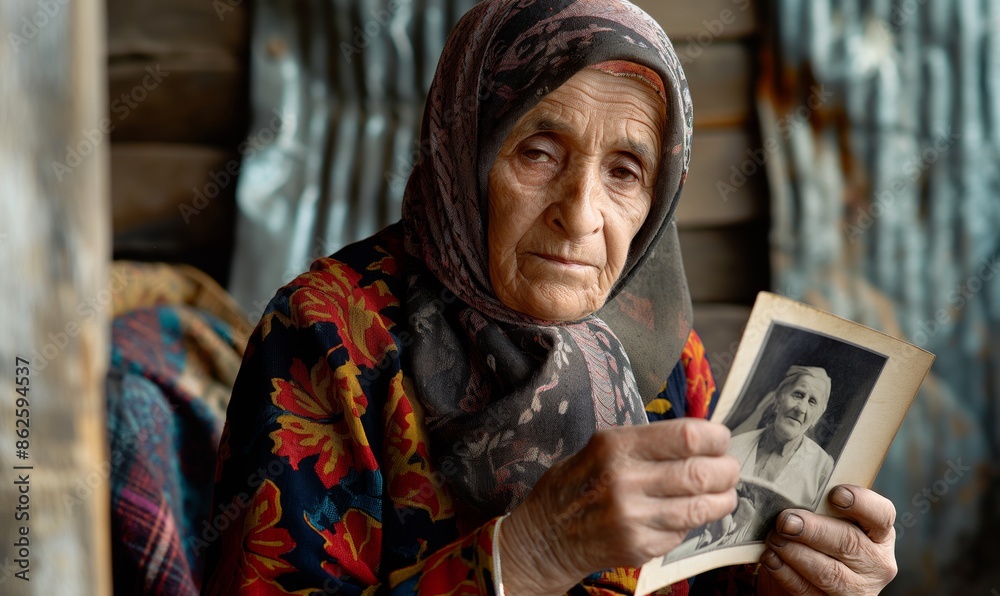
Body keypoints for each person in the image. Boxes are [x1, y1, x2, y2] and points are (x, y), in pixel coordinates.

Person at [201, 1, 898, 594]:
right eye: (538, 152)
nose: (581, 213)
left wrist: (787, 579)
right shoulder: (331, 333)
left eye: (625, 171)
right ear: (463, 153)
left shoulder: (664, 353)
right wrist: (532, 554)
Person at [729, 366, 836, 507]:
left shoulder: (822, 469)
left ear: (817, 417)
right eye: (798, 394)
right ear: (779, 399)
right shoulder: (735, 445)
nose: (801, 409)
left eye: (812, 402)